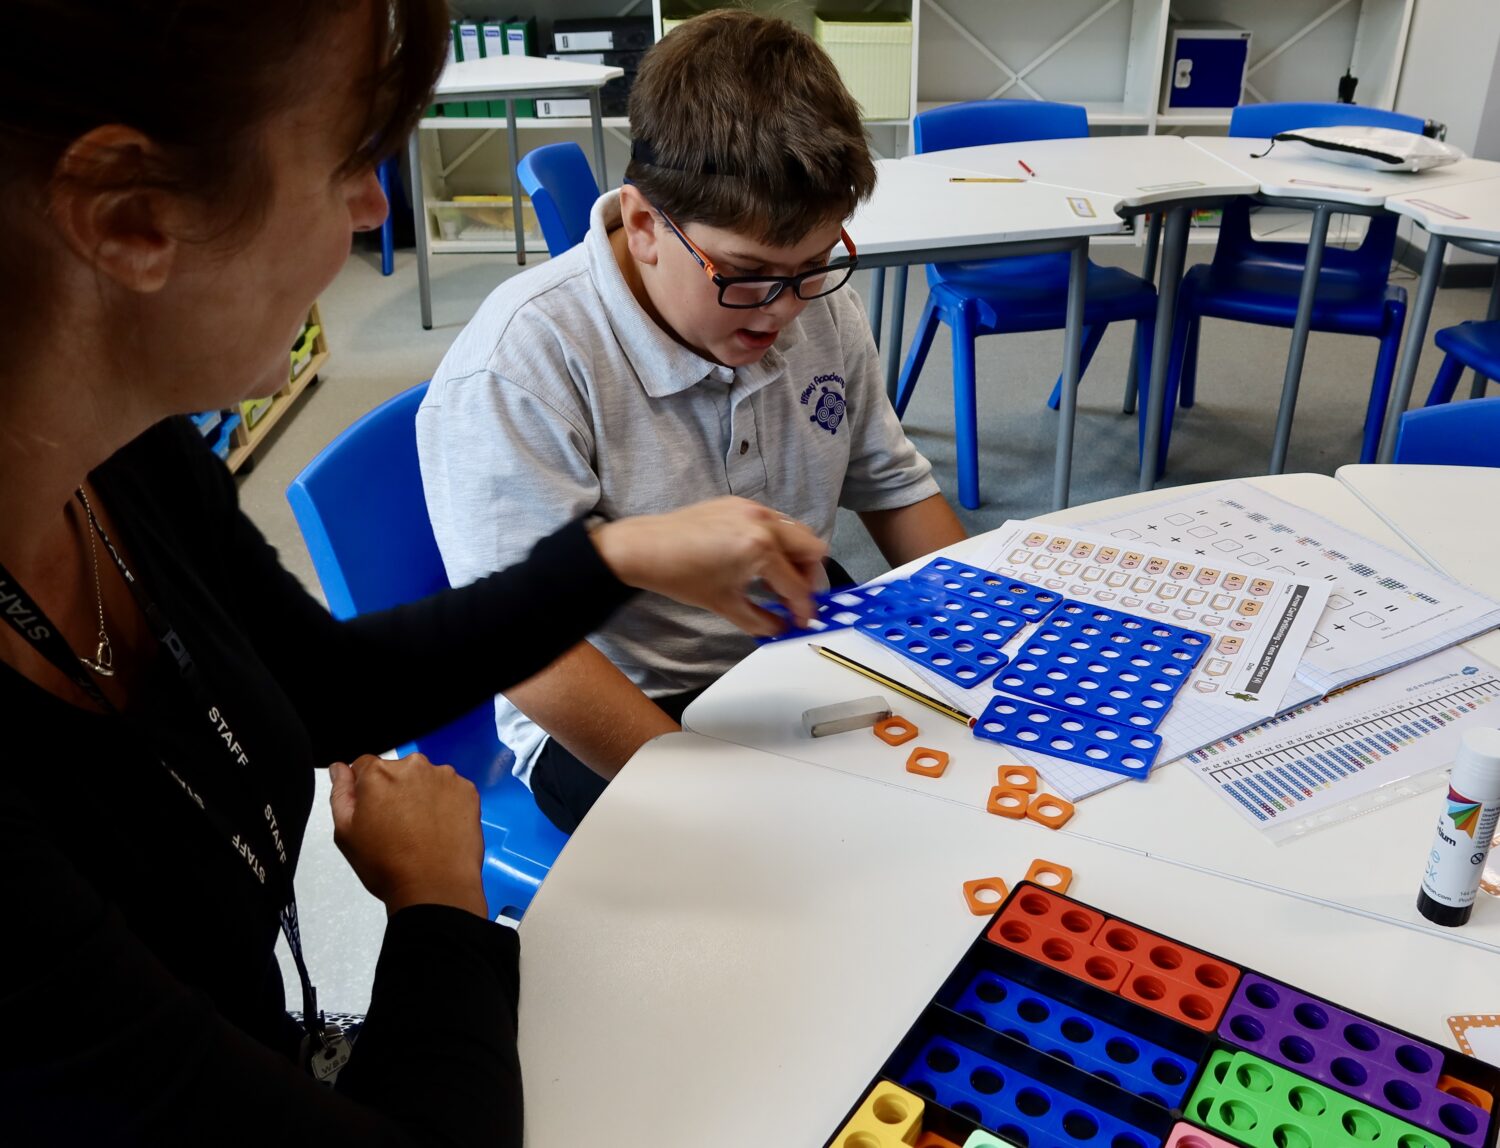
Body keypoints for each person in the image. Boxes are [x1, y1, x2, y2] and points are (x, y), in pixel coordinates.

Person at [0, 1, 828, 1143]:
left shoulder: (119, 453)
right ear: (132, 215)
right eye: (351, 160)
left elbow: (322, 681)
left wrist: (617, 555)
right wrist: (439, 905)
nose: (372, 210)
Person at [417, 10, 968, 836]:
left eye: (813, 266)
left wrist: (988, 633)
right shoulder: (519, 365)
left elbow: (890, 488)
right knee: (802, 862)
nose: (783, 310)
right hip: (615, 702)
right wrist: (714, 800)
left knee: (959, 772)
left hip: (790, 643)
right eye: (746, 276)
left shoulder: (819, 305)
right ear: (643, 227)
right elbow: (531, 656)